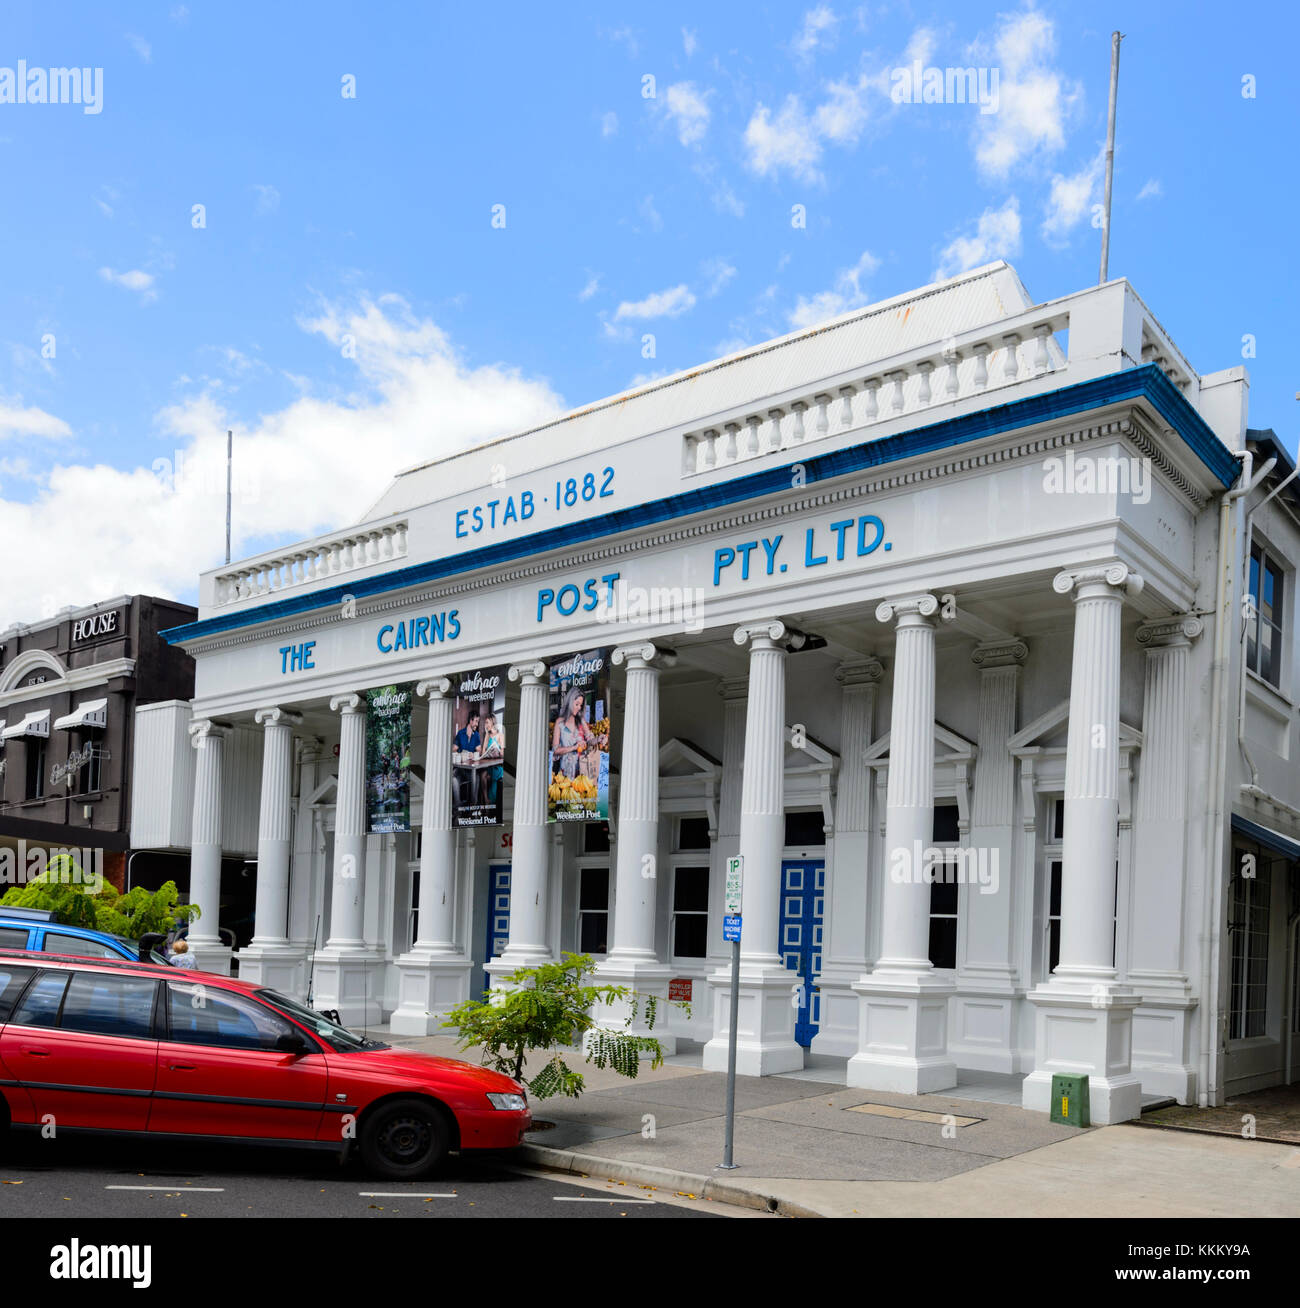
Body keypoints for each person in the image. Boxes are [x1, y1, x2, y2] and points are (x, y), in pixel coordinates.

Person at [551, 689, 595, 780]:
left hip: (582, 772)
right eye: (577, 704)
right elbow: (555, 750)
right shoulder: (559, 723)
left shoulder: (581, 721)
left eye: (581, 705)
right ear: (570, 702)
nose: (579, 707)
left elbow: (590, 740)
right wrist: (574, 747)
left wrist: (599, 739)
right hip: (565, 774)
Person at [479, 713, 505, 809]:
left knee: (490, 777)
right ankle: (486, 800)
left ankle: (489, 803)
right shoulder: (487, 735)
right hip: (489, 766)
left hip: (498, 767)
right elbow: (483, 753)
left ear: (493, 723)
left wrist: (497, 753)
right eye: (485, 723)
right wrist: (485, 751)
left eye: (487, 723)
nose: (485, 725)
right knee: (482, 775)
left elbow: (502, 754)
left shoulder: (500, 735)